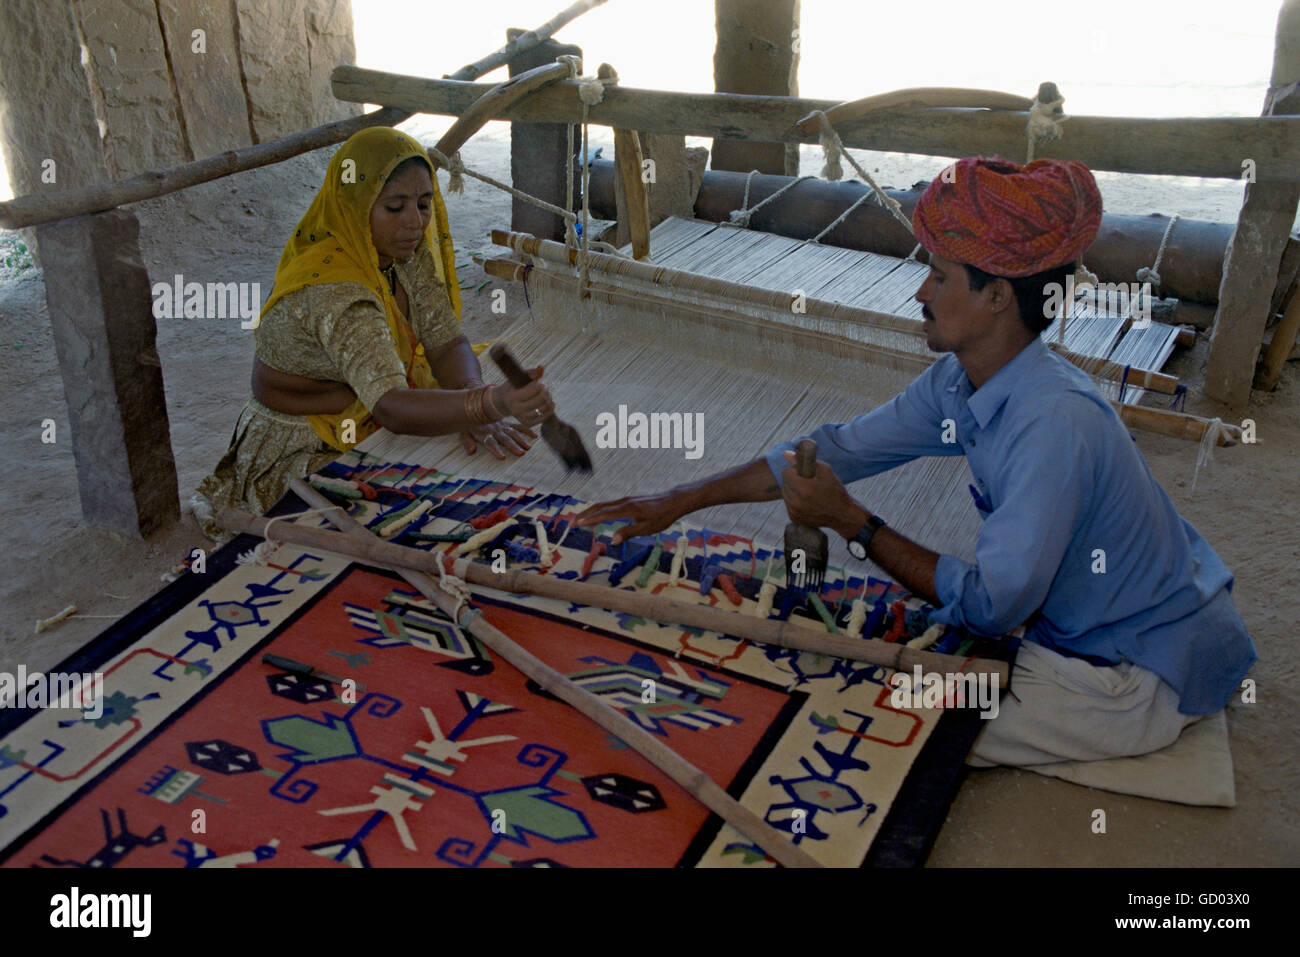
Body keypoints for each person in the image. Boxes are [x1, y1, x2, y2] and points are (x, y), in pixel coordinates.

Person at [576, 156, 1257, 767]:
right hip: (1112, 620)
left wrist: (853, 523)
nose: (918, 293)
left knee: (868, 710)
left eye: (937, 275)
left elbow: (991, 607)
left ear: (996, 296)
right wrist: (676, 500)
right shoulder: (966, 379)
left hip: (1141, 669)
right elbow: (833, 449)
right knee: (865, 665)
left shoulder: (1053, 423)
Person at [193, 127, 553, 540]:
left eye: (423, 204)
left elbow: (446, 339)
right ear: (356, 206)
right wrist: (489, 403)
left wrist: (470, 394)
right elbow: (391, 409)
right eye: (395, 207)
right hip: (308, 442)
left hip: (362, 404)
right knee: (418, 521)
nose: (415, 222)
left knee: (464, 477)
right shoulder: (338, 290)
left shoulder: (400, 252)